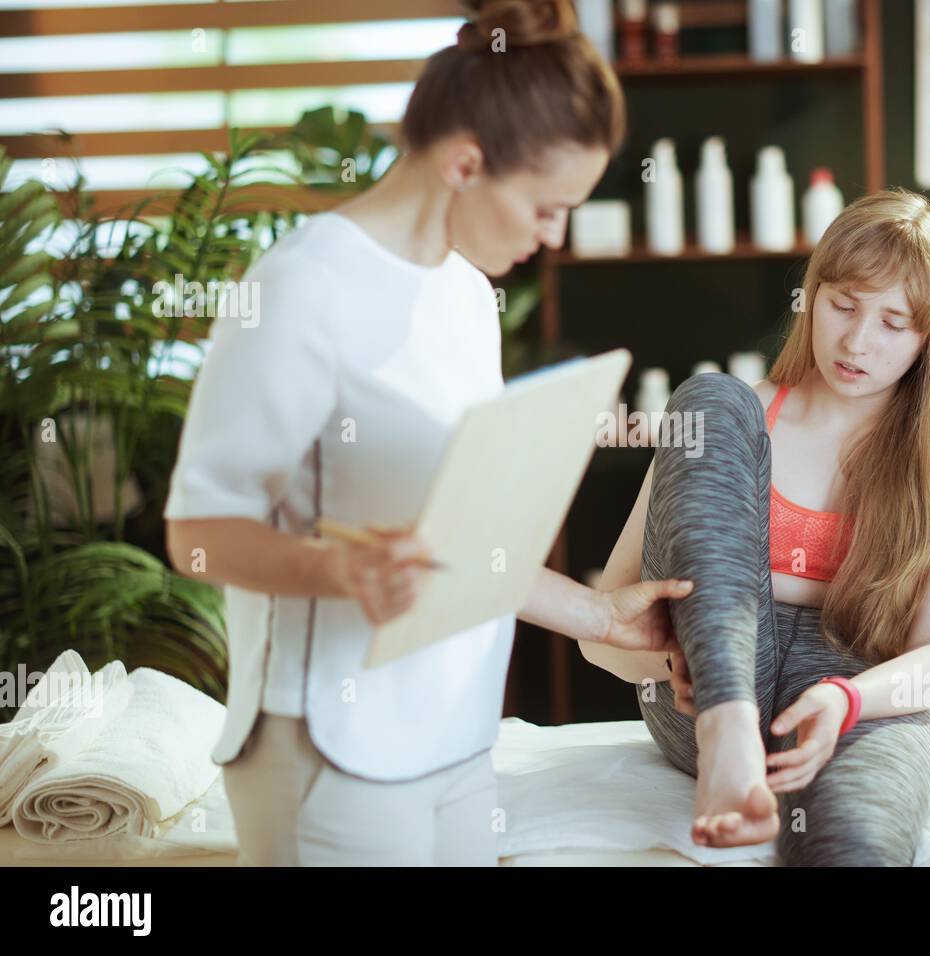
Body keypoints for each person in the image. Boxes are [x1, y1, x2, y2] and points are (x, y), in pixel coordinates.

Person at [163, 0, 692, 866]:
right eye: (547, 208)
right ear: (466, 163)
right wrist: (335, 570)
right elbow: (196, 534)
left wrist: (597, 613)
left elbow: (460, 536)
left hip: (454, 735)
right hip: (326, 748)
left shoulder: (460, 295)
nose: (553, 236)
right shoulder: (302, 288)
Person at [582, 188, 930, 865]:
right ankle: (732, 738)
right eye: (842, 305)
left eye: (894, 323)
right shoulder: (733, 421)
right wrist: (682, 663)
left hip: (857, 702)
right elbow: (599, 635)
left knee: (855, 845)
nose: (857, 341)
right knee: (711, 399)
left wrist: (844, 701)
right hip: (714, 693)